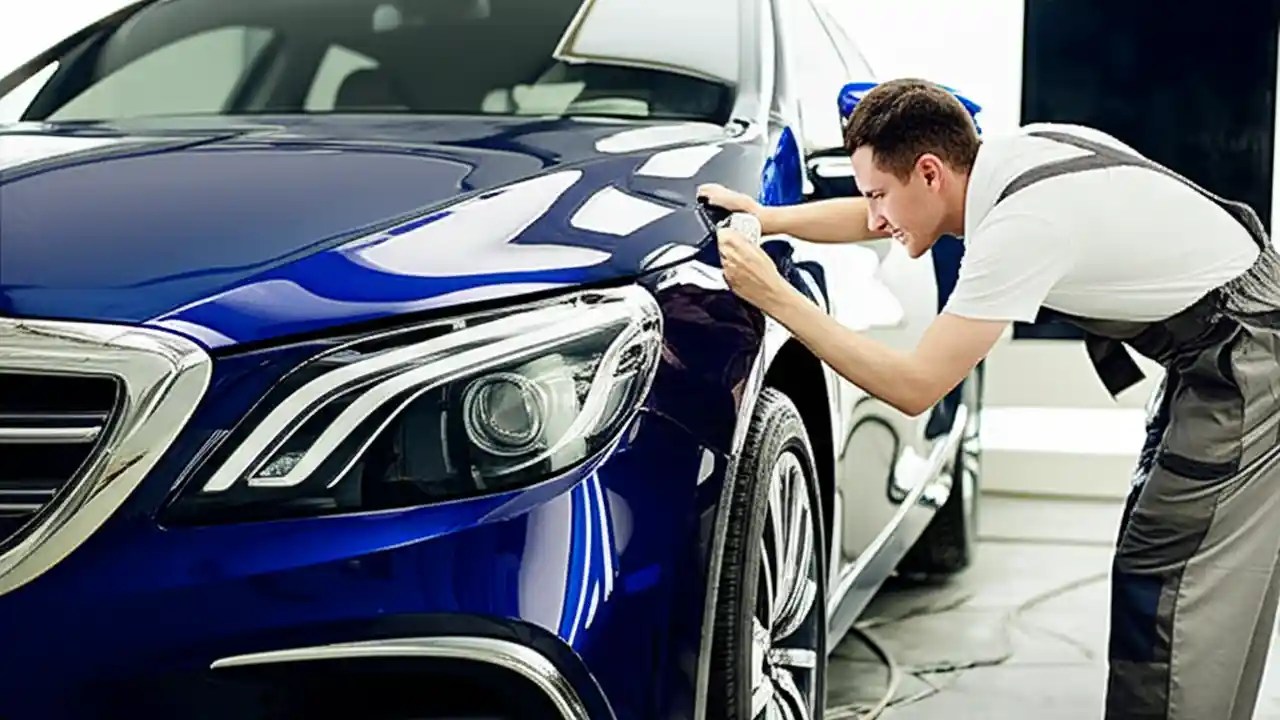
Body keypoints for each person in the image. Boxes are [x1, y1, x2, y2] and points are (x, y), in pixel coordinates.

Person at [699, 77, 1280, 720]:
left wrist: (774, 294)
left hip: (1250, 361)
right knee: (1164, 568)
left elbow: (914, 386)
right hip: (1225, 346)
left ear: (929, 171)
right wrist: (766, 218)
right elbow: (875, 219)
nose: (874, 215)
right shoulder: (1012, 161)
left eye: (878, 193)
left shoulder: (1021, 227)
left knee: (1179, 587)